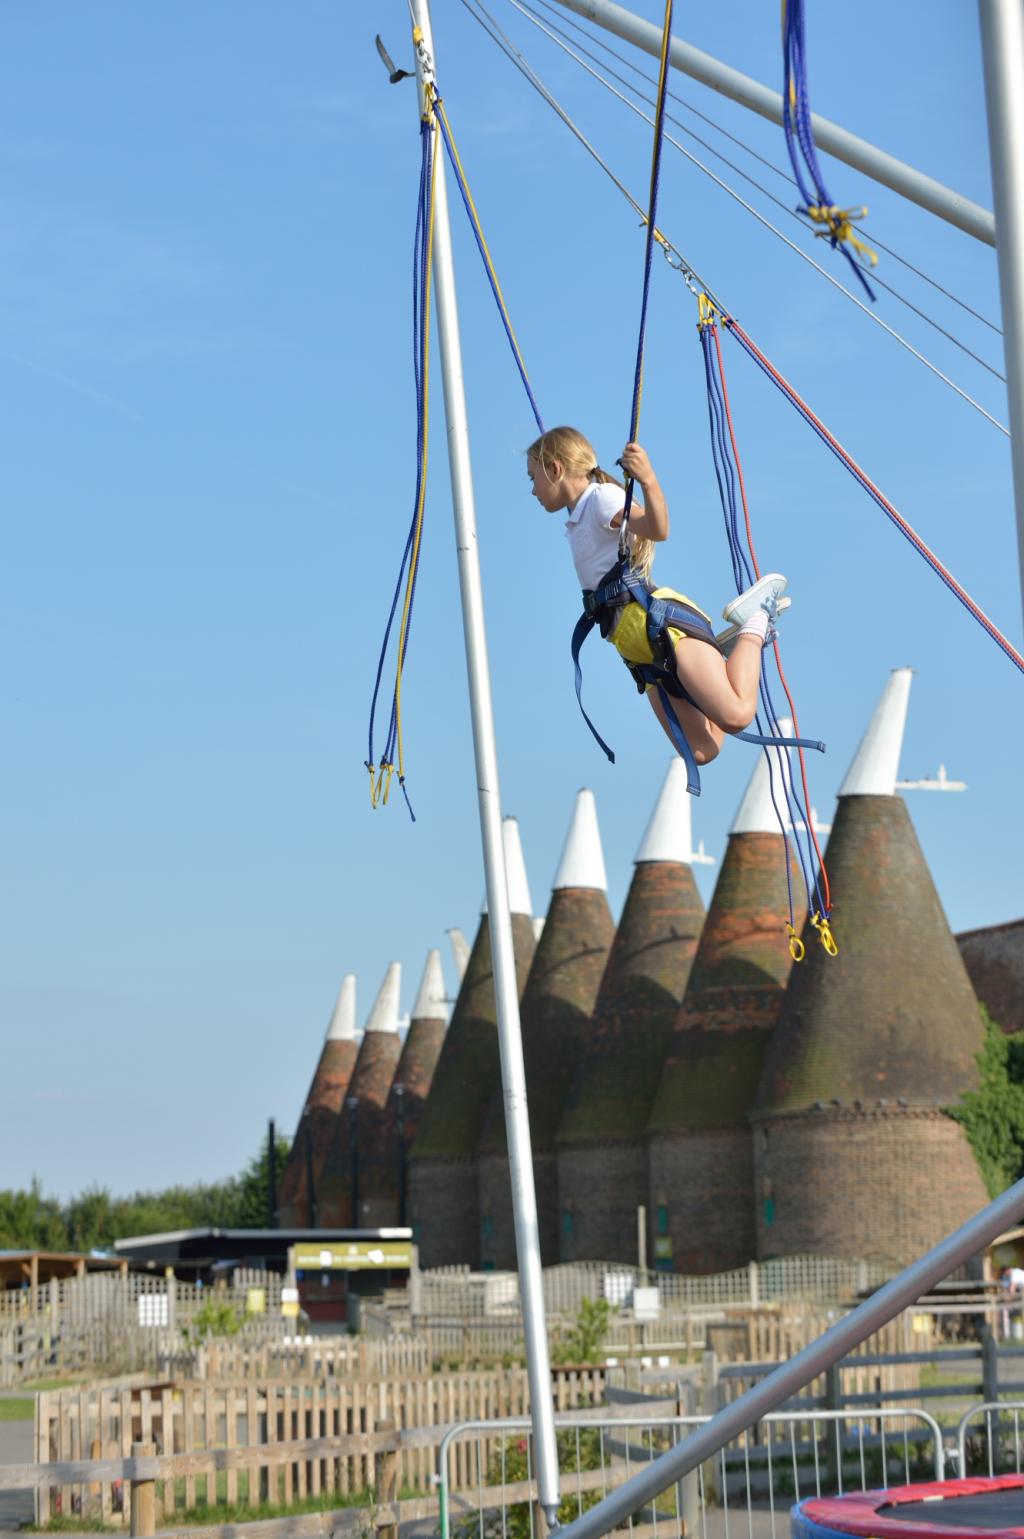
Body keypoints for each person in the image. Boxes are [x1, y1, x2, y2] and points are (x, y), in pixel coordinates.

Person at [526, 425, 789, 766]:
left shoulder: (600, 499)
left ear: (555, 469)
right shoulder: (577, 517)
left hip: (661, 629)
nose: (532, 489)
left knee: (737, 715)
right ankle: (718, 662)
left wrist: (647, 479)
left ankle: (754, 623)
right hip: (639, 652)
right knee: (701, 750)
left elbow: (657, 529)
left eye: (533, 477)